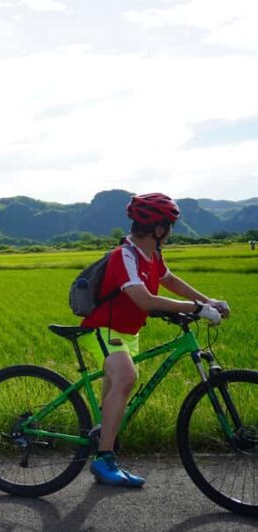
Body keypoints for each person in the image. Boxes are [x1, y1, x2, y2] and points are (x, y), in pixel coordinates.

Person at [79, 193, 229, 487]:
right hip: (103, 329)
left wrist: (207, 300)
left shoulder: (152, 256)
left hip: (128, 332)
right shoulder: (125, 255)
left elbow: (169, 280)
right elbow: (144, 300)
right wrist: (197, 308)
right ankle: (104, 459)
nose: (171, 232)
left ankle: (102, 439)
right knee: (125, 378)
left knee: (117, 389)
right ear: (159, 229)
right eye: (170, 226)